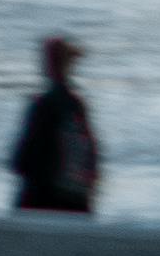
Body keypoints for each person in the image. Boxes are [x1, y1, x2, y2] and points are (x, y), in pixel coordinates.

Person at [9, 36, 95, 216]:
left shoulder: (43, 105)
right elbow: (92, 160)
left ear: (47, 65)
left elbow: (21, 161)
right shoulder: (78, 107)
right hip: (78, 206)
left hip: (42, 204)